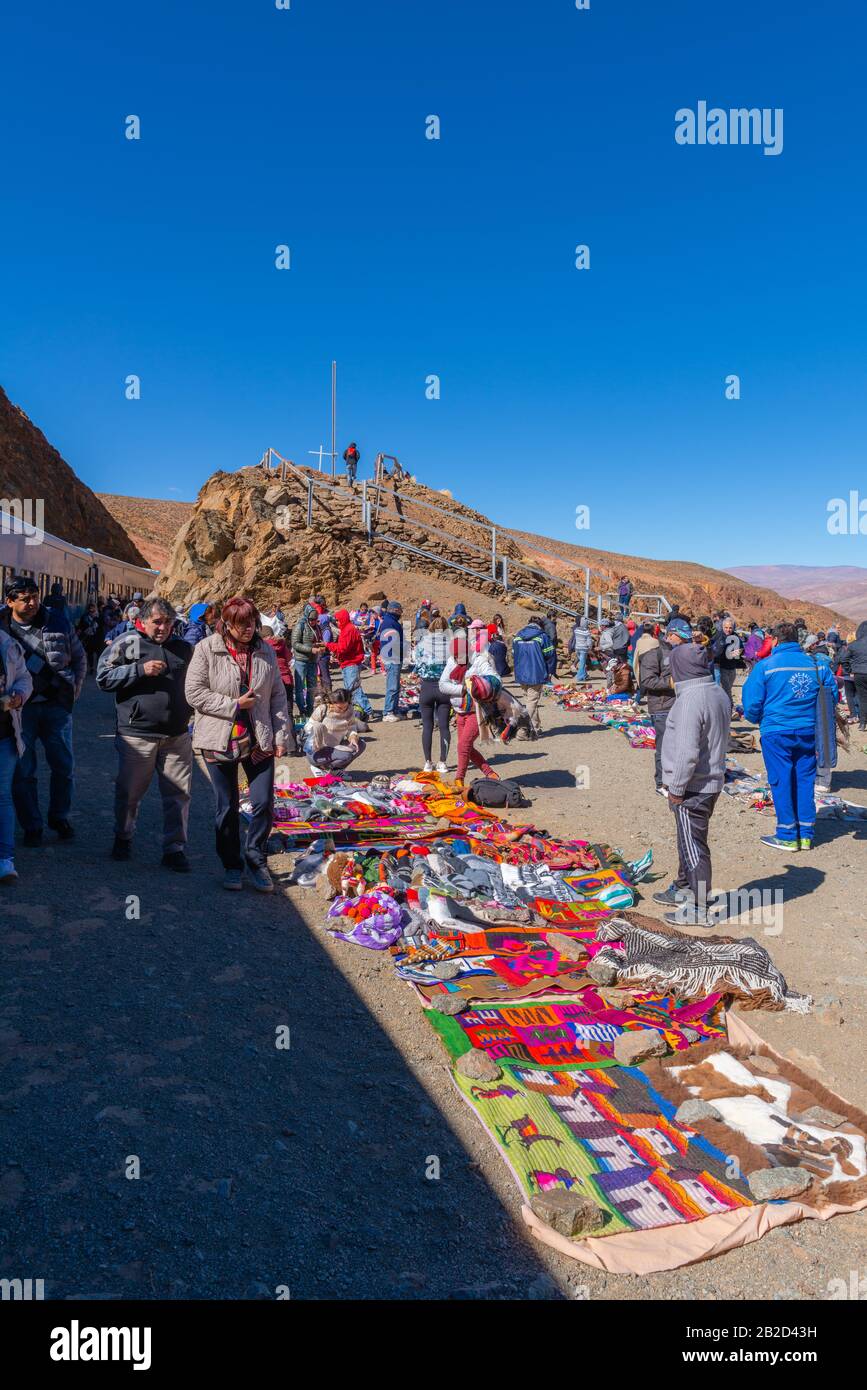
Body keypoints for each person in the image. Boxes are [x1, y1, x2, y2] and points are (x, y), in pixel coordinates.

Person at [186, 596, 289, 892]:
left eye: (252, 623)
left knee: (263, 803)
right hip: (219, 739)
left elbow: (278, 696)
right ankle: (232, 865)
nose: (249, 629)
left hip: (259, 738)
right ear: (227, 624)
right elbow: (193, 693)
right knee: (227, 806)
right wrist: (234, 704)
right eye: (242, 624)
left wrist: (281, 735)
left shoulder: (265, 651)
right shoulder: (206, 649)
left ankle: (256, 857)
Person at [96, 597, 194, 869]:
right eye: (157, 622)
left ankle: (174, 849)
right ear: (143, 621)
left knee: (178, 794)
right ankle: (123, 836)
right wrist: (139, 670)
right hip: (136, 735)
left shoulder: (184, 649)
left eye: (168, 622)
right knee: (129, 793)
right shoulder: (129, 643)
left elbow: (198, 682)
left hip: (177, 736)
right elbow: (103, 677)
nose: (163, 627)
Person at [0, 575, 86, 845]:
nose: (33, 602)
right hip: (19, 712)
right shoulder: (1, 628)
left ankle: (59, 816)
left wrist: (74, 690)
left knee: (63, 766)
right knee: (23, 772)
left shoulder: (57, 620)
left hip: (55, 707)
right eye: (25, 598)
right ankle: (32, 825)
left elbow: (80, 656)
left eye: (35, 595)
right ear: (9, 601)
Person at [741, 621, 839, 852]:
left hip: (777, 731)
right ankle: (805, 834)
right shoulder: (817, 665)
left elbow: (752, 703)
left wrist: (757, 719)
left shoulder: (765, 667)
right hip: (809, 732)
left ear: (775, 640)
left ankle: (786, 834)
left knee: (781, 780)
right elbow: (831, 696)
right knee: (805, 780)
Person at [652, 638, 730, 925]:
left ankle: (698, 908)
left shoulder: (690, 701)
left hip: (693, 787)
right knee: (689, 839)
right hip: (710, 781)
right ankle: (683, 889)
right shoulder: (716, 691)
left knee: (694, 846)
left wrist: (676, 788)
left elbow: (686, 752)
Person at [439, 636, 498, 785]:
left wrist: (482, 685)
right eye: (455, 655)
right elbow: (442, 685)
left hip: (477, 712)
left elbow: (495, 679)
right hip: (460, 712)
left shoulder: (479, 661)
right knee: (466, 748)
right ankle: (490, 773)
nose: (457, 658)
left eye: (459, 655)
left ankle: (459, 779)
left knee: (463, 745)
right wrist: (463, 689)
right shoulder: (452, 661)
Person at [0, 627, 32, 883]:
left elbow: (24, 677)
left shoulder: (7, 644)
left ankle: (4, 859)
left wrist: (19, 696)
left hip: (4, 735)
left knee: (2, 796)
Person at [638, 618, 681, 796]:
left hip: (677, 705)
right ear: (670, 635)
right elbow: (647, 680)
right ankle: (661, 783)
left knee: (678, 745)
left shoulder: (679, 653)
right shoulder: (653, 654)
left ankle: (675, 780)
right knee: (664, 746)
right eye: (680, 636)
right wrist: (670, 683)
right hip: (661, 707)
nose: (683, 640)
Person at [413, 614, 451, 772]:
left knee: (427, 726)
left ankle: (428, 762)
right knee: (444, 726)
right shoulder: (451, 644)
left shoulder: (422, 644)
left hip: (427, 686)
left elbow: (418, 665)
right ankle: (442, 762)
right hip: (444, 687)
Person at [324, 609, 373, 723]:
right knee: (350, 690)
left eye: (338, 620)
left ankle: (367, 710)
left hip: (351, 663)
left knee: (354, 689)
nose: (337, 622)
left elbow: (343, 648)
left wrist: (328, 645)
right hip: (348, 662)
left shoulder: (348, 630)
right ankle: (360, 711)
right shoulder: (347, 629)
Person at [304, 687, 366, 774]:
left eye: (345, 706)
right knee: (346, 756)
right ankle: (319, 768)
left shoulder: (350, 710)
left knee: (360, 744)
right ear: (332, 703)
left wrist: (352, 737)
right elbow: (308, 726)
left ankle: (335, 771)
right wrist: (318, 729)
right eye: (340, 708)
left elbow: (351, 728)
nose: (343, 710)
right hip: (317, 750)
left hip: (335, 747)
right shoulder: (323, 709)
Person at [261, 625, 301, 756]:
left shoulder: (262, 645)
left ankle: (279, 745)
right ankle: (292, 747)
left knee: (274, 713)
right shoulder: (281, 643)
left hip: (273, 681)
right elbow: (289, 658)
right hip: (287, 679)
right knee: (288, 712)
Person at [512, 617, 555, 735]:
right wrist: (550, 671)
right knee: (532, 701)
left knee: (529, 700)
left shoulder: (518, 636)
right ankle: (522, 730)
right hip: (536, 673)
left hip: (521, 673)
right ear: (540, 625)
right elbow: (550, 654)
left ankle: (535, 727)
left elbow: (513, 654)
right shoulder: (542, 636)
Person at [291, 602, 320, 718]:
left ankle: (310, 709)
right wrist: (310, 649)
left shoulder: (317, 627)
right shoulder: (300, 626)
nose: (313, 621)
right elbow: (295, 644)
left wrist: (320, 646)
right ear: (307, 617)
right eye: (311, 619)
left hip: (312, 661)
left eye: (315, 619)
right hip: (301, 661)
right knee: (299, 687)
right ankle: (302, 710)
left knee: (312, 687)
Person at [379, 601, 405, 721]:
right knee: (392, 686)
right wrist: (404, 645)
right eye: (400, 611)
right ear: (395, 610)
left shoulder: (392, 622)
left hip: (394, 656)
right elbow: (391, 642)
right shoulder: (390, 623)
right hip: (392, 657)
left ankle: (394, 709)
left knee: (396, 686)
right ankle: (388, 712)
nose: (401, 613)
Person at [839, 621, 867, 731]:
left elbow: (843, 659)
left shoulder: (853, 645)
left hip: (859, 674)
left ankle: (863, 723)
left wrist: (850, 670)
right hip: (859, 672)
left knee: (862, 697)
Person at [711, 615, 744, 705]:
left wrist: (739, 651)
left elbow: (741, 647)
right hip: (722, 667)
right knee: (726, 689)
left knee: (729, 687)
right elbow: (712, 647)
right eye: (726, 627)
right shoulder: (718, 635)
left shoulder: (735, 636)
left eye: (730, 628)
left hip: (732, 668)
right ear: (722, 627)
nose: (728, 630)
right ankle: (730, 708)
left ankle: (723, 706)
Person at [77, 602, 102, 674]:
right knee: (90, 653)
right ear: (88, 611)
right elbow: (80, 627)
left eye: (93, 611)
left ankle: (98, 667)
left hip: (97, 638)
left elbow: (101, 628)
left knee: (98, 654)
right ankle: (91, 667)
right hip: (88, 638)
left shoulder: (98, 618)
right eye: (90, 611)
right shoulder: (84, 617)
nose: (92, 612)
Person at [569, 616, 594, 682]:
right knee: (582, 663)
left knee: (582, 662)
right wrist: (590, 647)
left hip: (577, 648)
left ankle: (585, 675)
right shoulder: (587, 632)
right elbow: (589, 642)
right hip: (584, 649)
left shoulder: (576, 630)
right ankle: (580, 677)